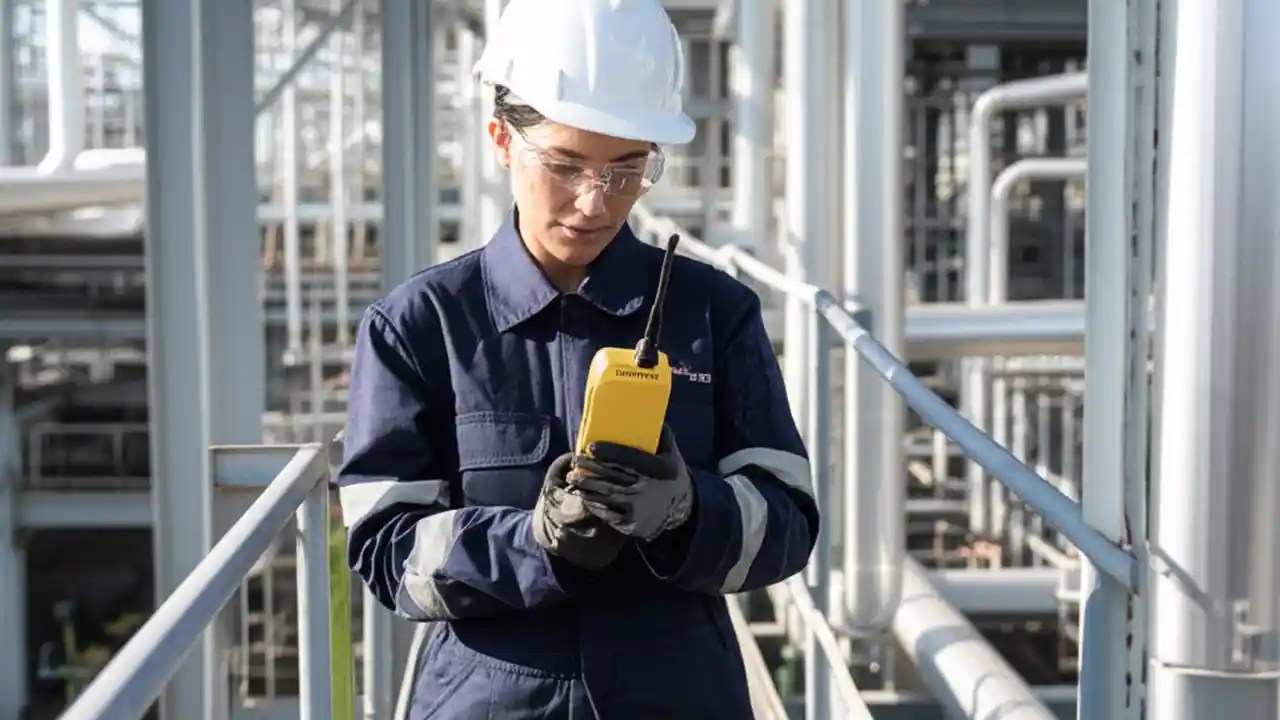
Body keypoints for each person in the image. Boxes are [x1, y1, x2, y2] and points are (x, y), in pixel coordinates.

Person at [337, 0, 818, 717]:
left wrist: (687, 512)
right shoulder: (420, 326)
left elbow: (788, 522)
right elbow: (386, 552)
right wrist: (535, 541)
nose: (595, 202)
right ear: (501, 139)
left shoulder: (713, 313)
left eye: (628, 170)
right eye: (566, 166)